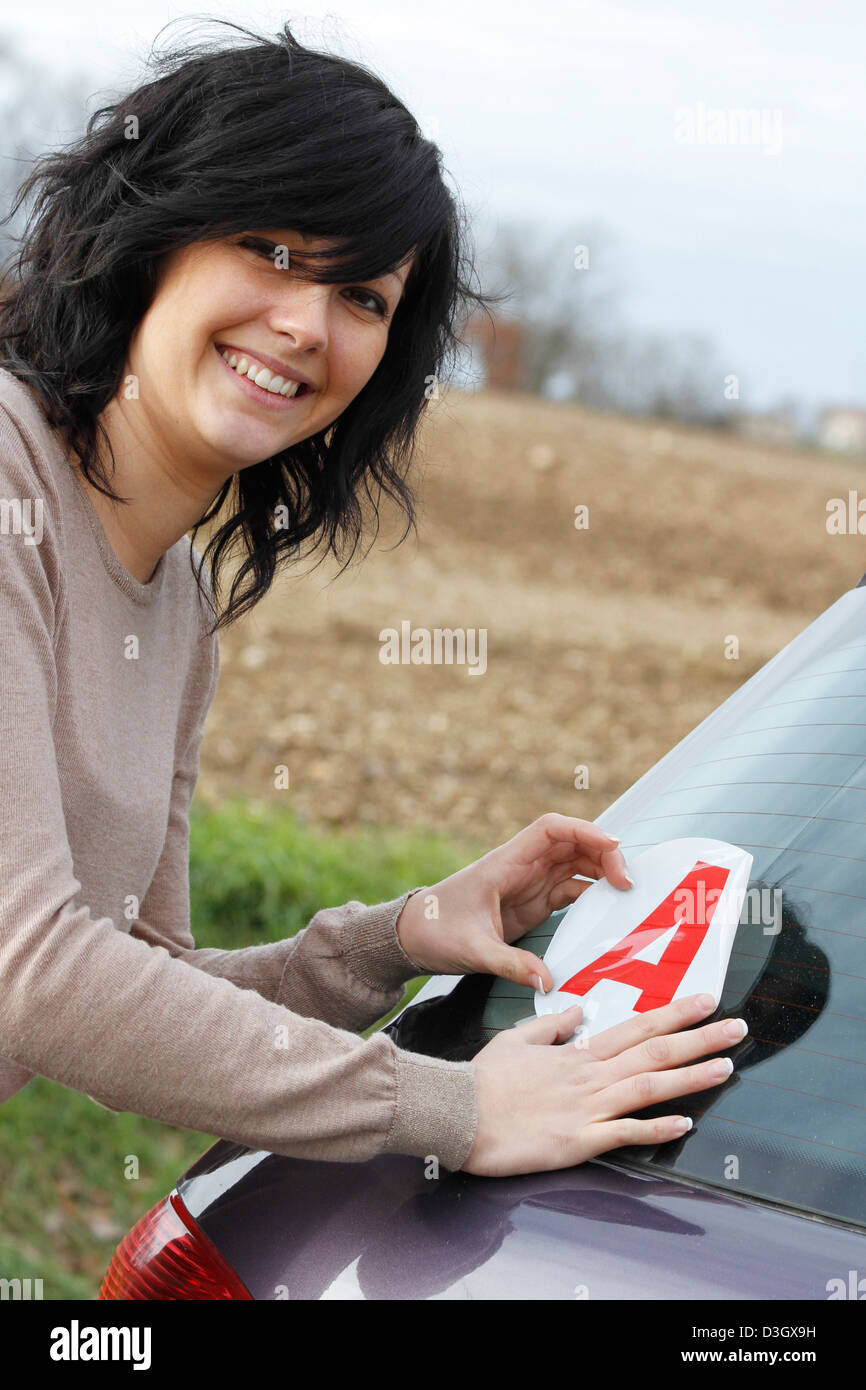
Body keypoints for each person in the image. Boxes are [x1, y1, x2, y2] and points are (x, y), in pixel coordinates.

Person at [0, 18, 743, 1181]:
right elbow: (36, 975)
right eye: (269, 249)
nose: (304, 325)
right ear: (152, 234)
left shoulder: (178, 606)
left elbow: (139, 994)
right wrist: (456, 1108)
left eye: (360, 295)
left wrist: (393, 938)